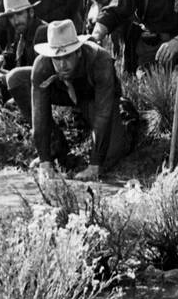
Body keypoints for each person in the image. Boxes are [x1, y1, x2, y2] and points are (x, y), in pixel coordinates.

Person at [16, 20, 136, 183]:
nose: (62, 65)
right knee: (15, 78)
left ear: (78, 52)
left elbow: (103, 114)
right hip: (64, 92)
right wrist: (45, 161)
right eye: (57, 59)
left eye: (67, 57)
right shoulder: (42, 64)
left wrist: (94, 165)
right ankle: (55, 146)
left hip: (95, 98)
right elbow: (39, 116)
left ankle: (125, 127)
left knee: (111, 153)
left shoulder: (100, 60)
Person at [0, 0, 47, 118]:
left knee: (8, 106)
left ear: (31, 12)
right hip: (34, 85)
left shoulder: (42, 32)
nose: (15, 21)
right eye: (11, 17)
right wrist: (2, 57)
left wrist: (12, 78)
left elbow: (42, 73)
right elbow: (13, 50)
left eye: (19, 14)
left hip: (46, 89)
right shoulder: (22, 32)